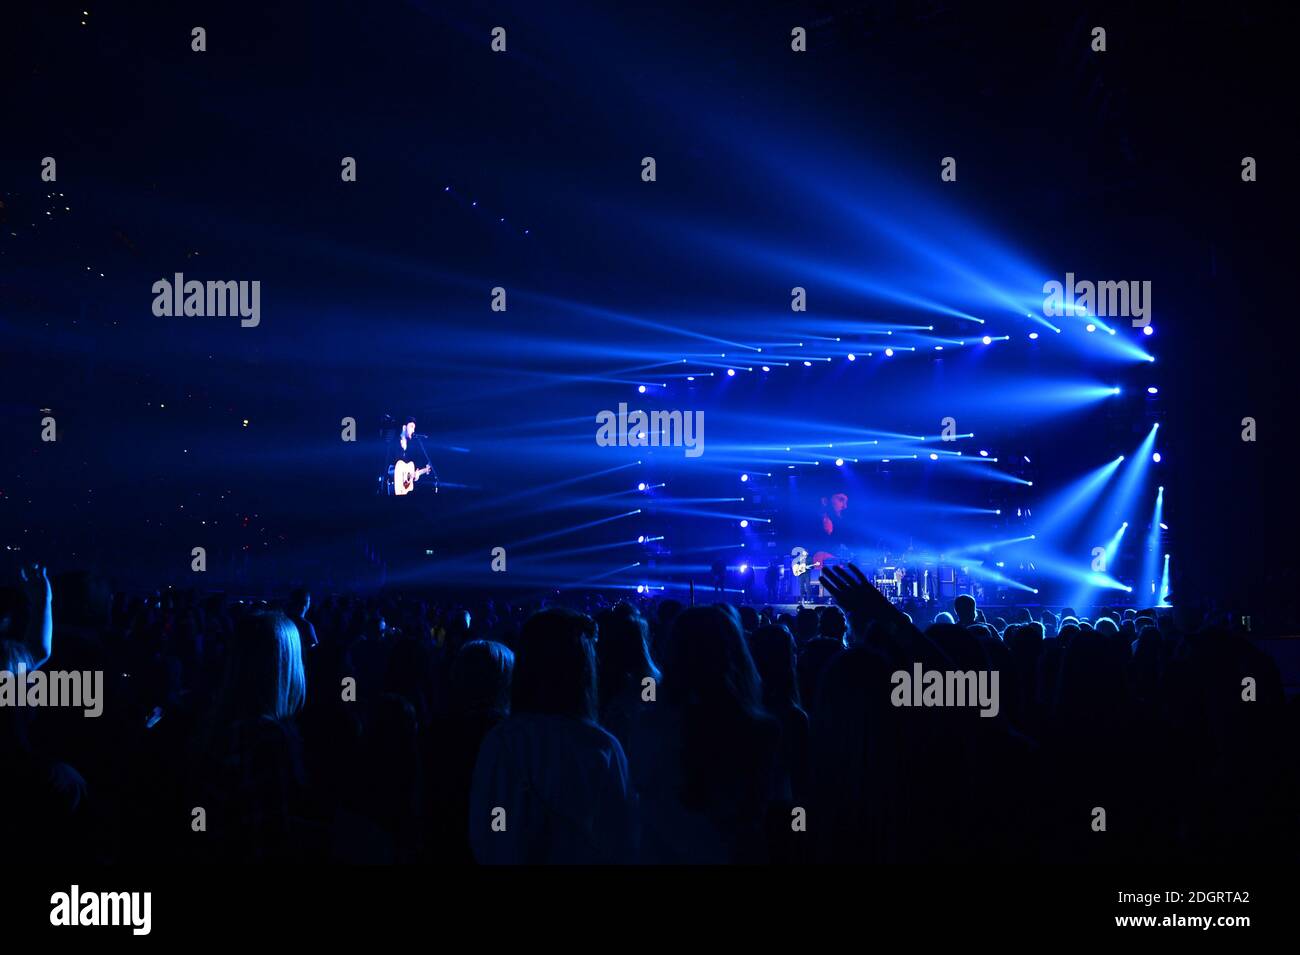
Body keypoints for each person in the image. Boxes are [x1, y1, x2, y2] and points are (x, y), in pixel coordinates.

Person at [469, 609, 634, 864]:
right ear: (583, 670)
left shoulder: (504, 740)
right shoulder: (604, 746)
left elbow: (490, 832)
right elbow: (622, 839)